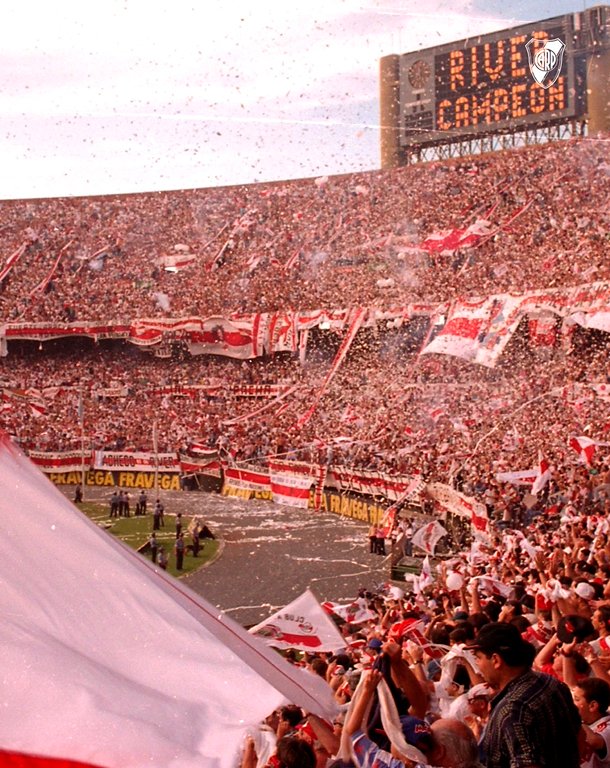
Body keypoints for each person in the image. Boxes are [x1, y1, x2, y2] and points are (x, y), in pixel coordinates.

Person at [469, 621, 581, 768]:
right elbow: (580, 736)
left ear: (496, 660)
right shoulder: (550, 682)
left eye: (478, 658)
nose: (477, 665)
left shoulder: (512, 710)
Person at [572, 678, 610, 768]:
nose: (571, 704)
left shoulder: (608, 725)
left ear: (592, 706)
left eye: (576, 699)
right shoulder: (583, 722)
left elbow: (594, 741)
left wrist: (571, 717)